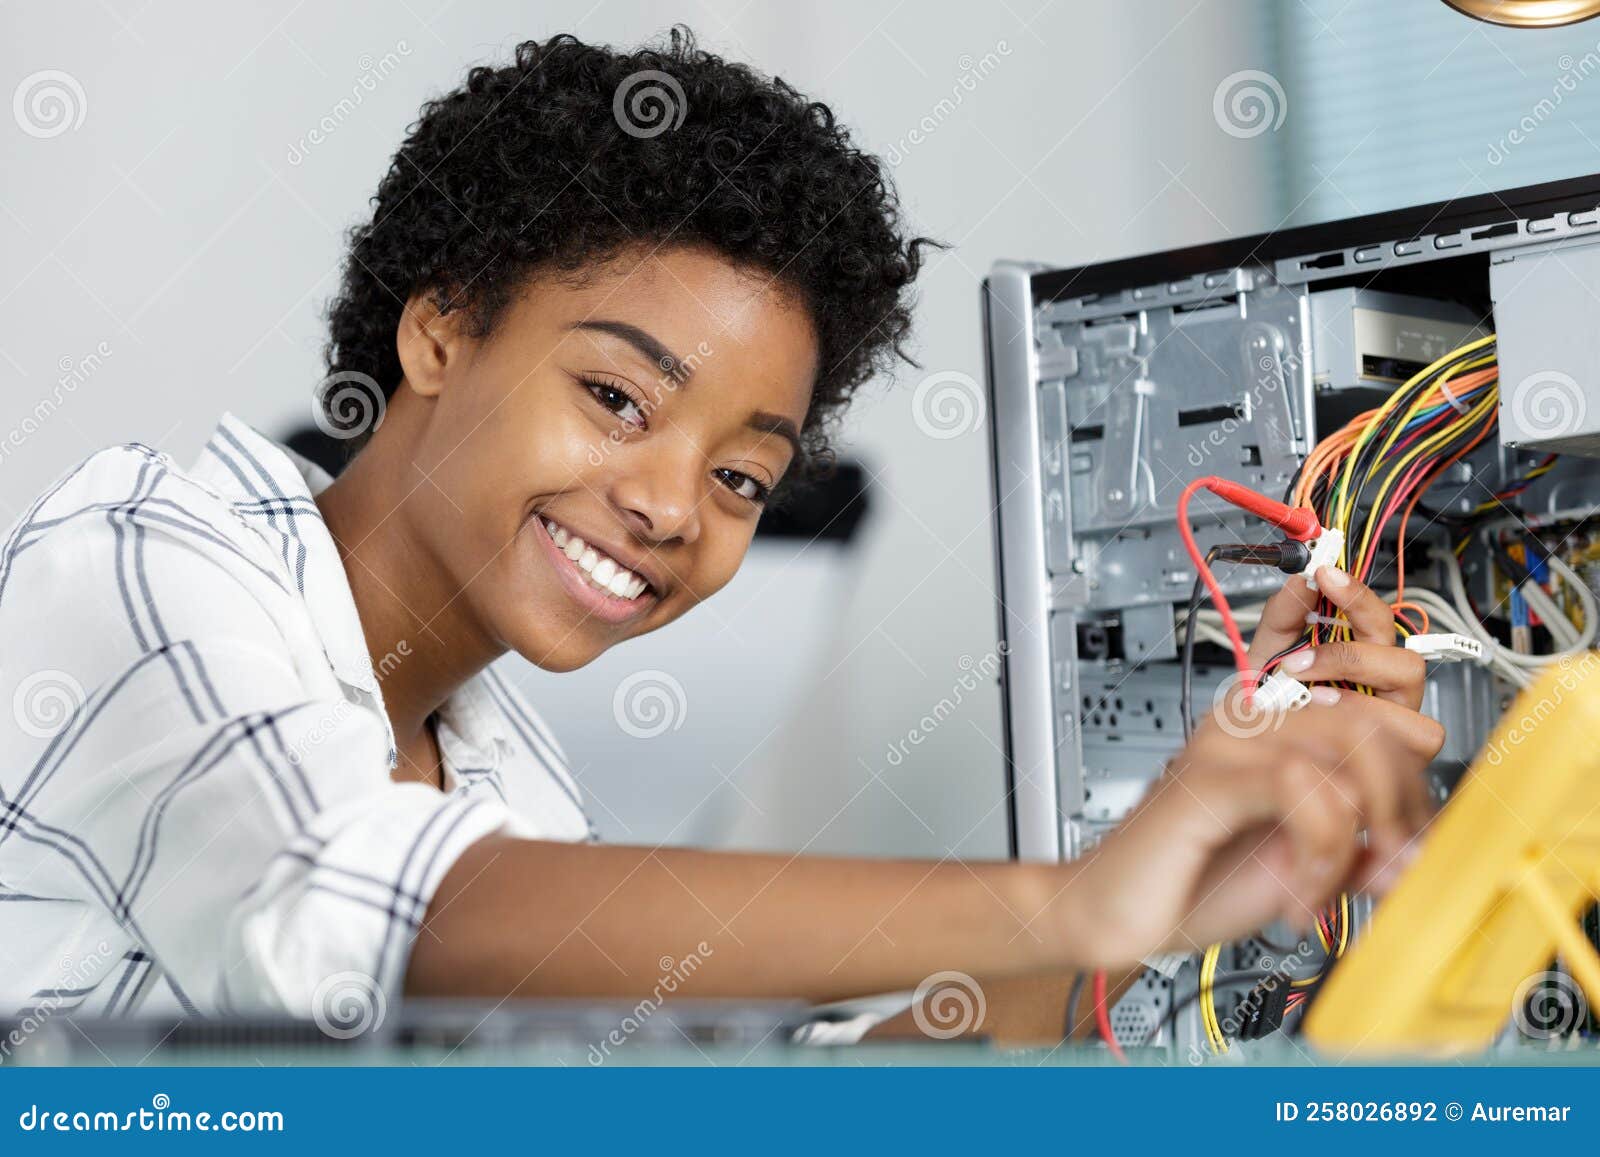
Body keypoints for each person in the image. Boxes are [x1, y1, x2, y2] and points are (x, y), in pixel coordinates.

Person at [0, 30, 1441, 1036]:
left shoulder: (505, 773)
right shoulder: (134, 558)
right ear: (438, 328)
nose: (675, 507)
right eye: (618, 395)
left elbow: (772, 1088)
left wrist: (1171, 899)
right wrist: (1063, 899)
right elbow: (352, 914)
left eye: (746, 477)